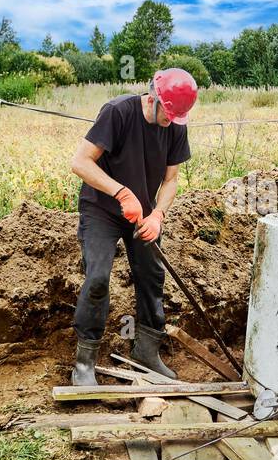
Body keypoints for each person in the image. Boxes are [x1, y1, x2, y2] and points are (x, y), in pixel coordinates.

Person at [68, 68, 198, 384]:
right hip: (101, 209)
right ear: (152, 97)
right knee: (98, 277)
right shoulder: (118, 112)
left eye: (176, 117)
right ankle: (84, 363)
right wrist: (121, 192)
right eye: (167, 113)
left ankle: (146, 351)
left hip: (143, 214)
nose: (170, 121)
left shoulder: (175, 125)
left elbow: (171, 180)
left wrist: (157, 216)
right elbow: (80, 162)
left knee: (152, 275)